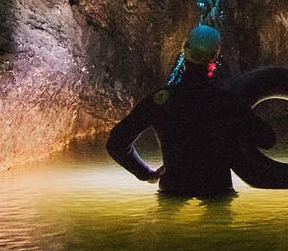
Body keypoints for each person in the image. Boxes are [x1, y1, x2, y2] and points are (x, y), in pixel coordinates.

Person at [106, 25, 276, 198]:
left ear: (183, 50)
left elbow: (116, 143)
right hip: (217, 191)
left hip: (173, 189)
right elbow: (267, 140)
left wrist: (145, 173)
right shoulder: (226, 102)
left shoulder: (162, 100)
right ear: (215, 55)